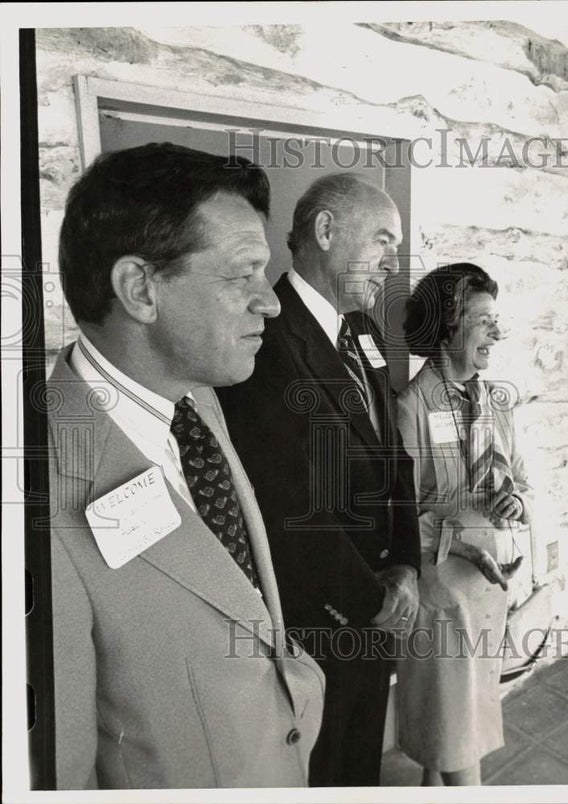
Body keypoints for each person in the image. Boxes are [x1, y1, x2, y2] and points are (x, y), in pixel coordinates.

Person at [47, 143, 325, 789]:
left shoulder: (197, 397)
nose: (272, 302)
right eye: (242, 275)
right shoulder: (36, 488)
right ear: (141, 289)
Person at [217, 173, 421, 787]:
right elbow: (285, 509)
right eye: (383, 240)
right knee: (326, 769)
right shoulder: (264, 342)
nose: (394, 261)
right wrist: (371, 599)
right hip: (325, 623)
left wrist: (408, 565)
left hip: (385, 604)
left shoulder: (360, 330)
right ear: (326, 231)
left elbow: (395, 458)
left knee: (361, 766)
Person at [394, 263, 531, 786]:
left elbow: (519, 477)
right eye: (481, 320)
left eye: (497, 320)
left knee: (448, 732)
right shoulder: (410, 406)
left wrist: (513, 501)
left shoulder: (496, 400)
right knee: (458, 743)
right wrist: (459, 538)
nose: (496, 332)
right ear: (446, 327)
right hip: (443, 596)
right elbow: (400, 515)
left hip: (487, 591)